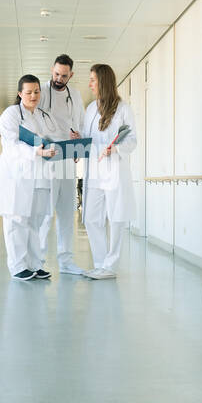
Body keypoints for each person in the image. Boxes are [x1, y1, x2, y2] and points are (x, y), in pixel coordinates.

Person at [0, 75, 58, 282]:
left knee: (36, 222)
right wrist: (34, 152)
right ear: (20, 93)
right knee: (17, 221)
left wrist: (53, 148)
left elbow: (51, 138)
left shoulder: (43, 116)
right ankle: (18, 266)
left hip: (39, 176)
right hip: (17, 176)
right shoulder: (10, 115)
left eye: (36, 91)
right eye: (28, 92)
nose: (33, 96)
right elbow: (11, 145)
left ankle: (35, 265)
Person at [81, 64, 138, 280]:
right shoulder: (90, 109)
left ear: (103, 81)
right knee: (91, 218)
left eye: (93, 80)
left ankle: (111, 265)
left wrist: (115, 148)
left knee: (116, 218)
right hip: (94, 171)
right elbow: (88, 139)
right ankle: (100, 263)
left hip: (114, 169)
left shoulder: (123, 109)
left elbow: (132, 140)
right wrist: (79, 140)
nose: (90, 84)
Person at [37, 54, 86, 276]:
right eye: (56, 74)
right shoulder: (40, 91)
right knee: (45, 212)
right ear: (52, 69)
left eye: (64, 76)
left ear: (71, 75)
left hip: (67, 158)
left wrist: (78, 141)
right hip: (47, 158)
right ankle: (37, 261)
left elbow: (81, 126)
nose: (59, 78)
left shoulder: (75, 95)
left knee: (67, 211)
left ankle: (66, 262)